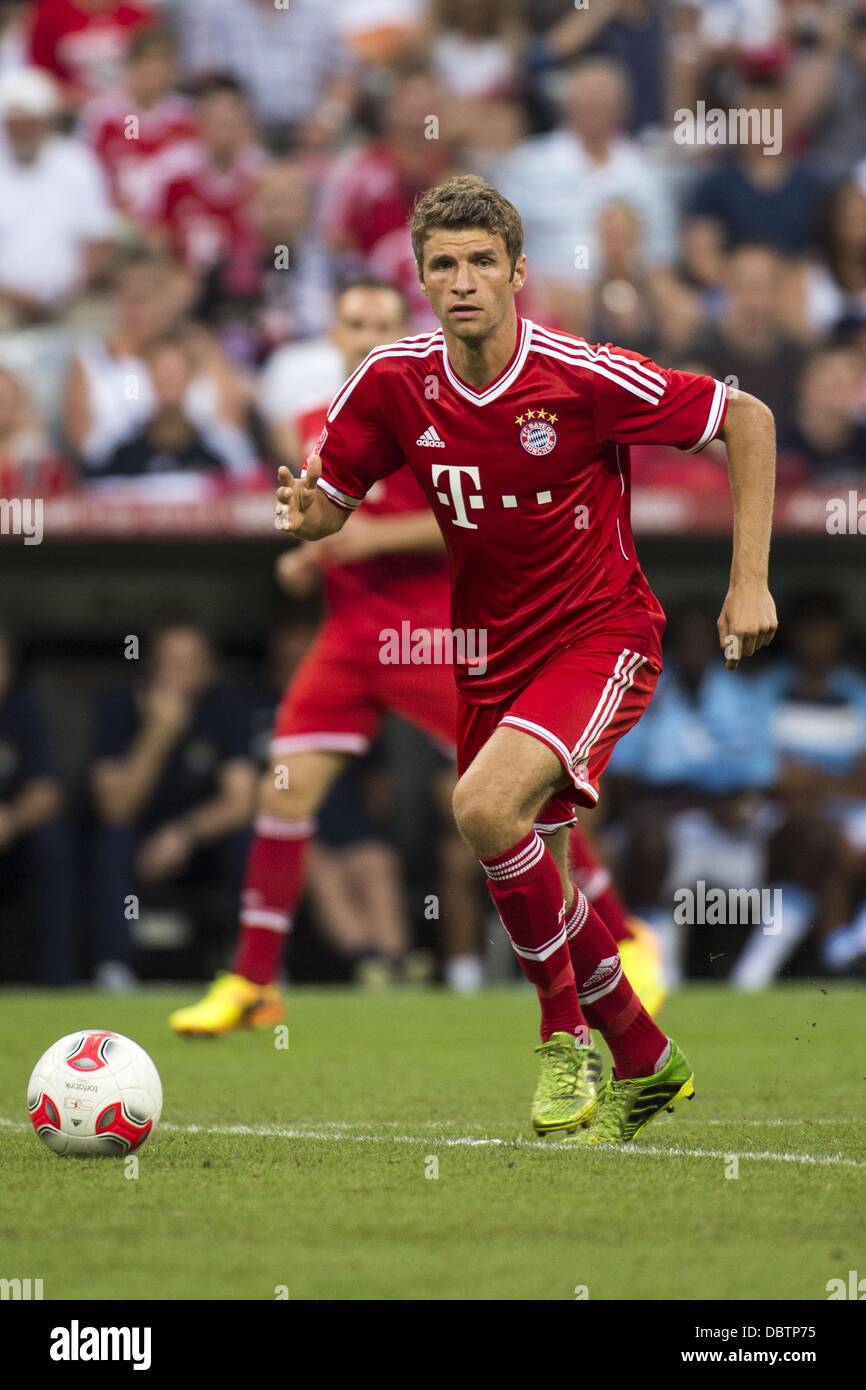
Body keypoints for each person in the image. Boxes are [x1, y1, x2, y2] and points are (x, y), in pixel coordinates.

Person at [273, 174, 777, 1145]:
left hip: (600, 635)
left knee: (479, 807)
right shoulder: (392, 381)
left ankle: (562, 1037)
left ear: (515, 272)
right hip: (490, 658)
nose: (460, 281)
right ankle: (642, 1054)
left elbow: (742, 419)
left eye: (478, 262)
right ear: (422, 280)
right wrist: (313, 512)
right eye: (441, 266)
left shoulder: (580, 376)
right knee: (525, 852)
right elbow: (331, 492)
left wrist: (745, 581)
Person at [170, 279, 486, 1036]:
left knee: (515, 799)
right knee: (285, 789)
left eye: (383, 321)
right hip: (347, 637)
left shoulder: (438, 415)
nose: (368, 334)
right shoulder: (315, 427)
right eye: (354, 322)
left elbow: (473, 525)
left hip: (429, 634)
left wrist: (371, 539)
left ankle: (620, 942)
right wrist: (304, 561)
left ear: (406, 331)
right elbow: (328, 525)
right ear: (334, 335)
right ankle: (253, 983)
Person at [89, 620, 257, 989]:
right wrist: (159, 733)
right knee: (111, 840)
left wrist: (185, 834)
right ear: (150, 666)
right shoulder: (118, 705)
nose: (182, 673)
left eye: (192, 662)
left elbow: (242, 801)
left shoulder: (225, 707)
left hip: (198, 846)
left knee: (250, 840)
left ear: (210, 667)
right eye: (171, 662)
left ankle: (252, 968)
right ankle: (114, 968)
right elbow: (116, 808)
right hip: (137, 844)